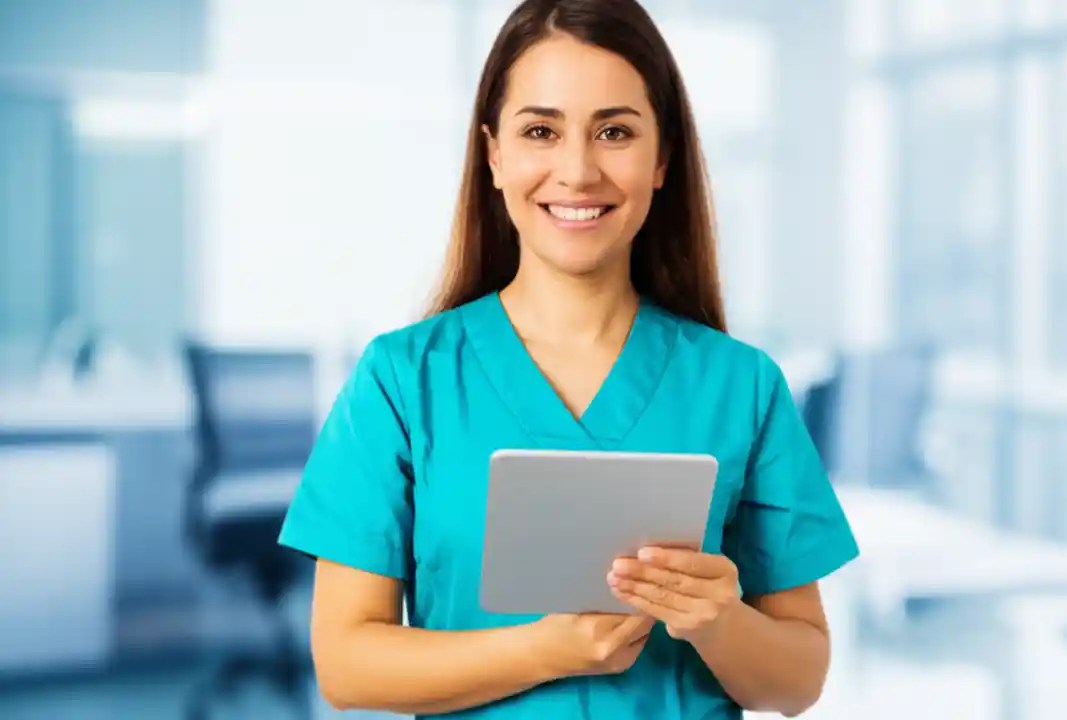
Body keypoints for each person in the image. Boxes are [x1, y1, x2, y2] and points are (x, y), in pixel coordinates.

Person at [277, 0, 859, 717]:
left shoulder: (742, 386)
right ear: (494, 155)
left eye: (615, 132)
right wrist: (546, 651)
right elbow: (346, 665)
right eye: (540, 132)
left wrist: (720, 622)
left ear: (662, 158)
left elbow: (798, 682)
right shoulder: (402, 381)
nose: (578, 171)